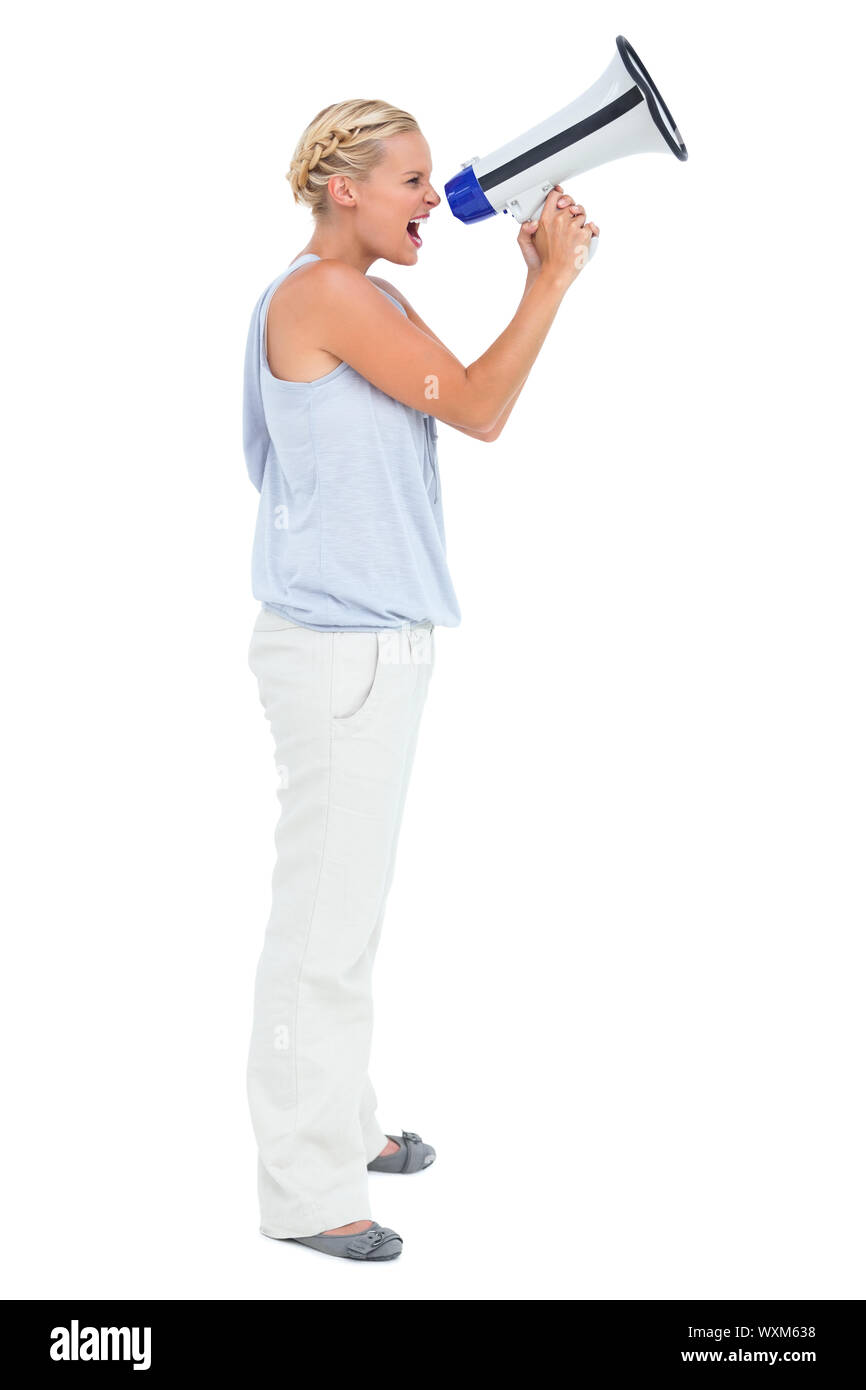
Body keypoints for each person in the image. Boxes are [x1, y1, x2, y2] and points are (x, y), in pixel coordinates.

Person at [242, 98, 598, 1262]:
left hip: (367, 645)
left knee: (348, 914)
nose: (430, 202)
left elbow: (447, 397)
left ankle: (340, 1122)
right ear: (343, 188)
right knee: (322, 932)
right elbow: (483, 409)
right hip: (343, 651)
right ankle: (303, 1193)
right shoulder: (321, 296)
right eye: (409, 181)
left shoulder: (370, 299)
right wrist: (547, 281)